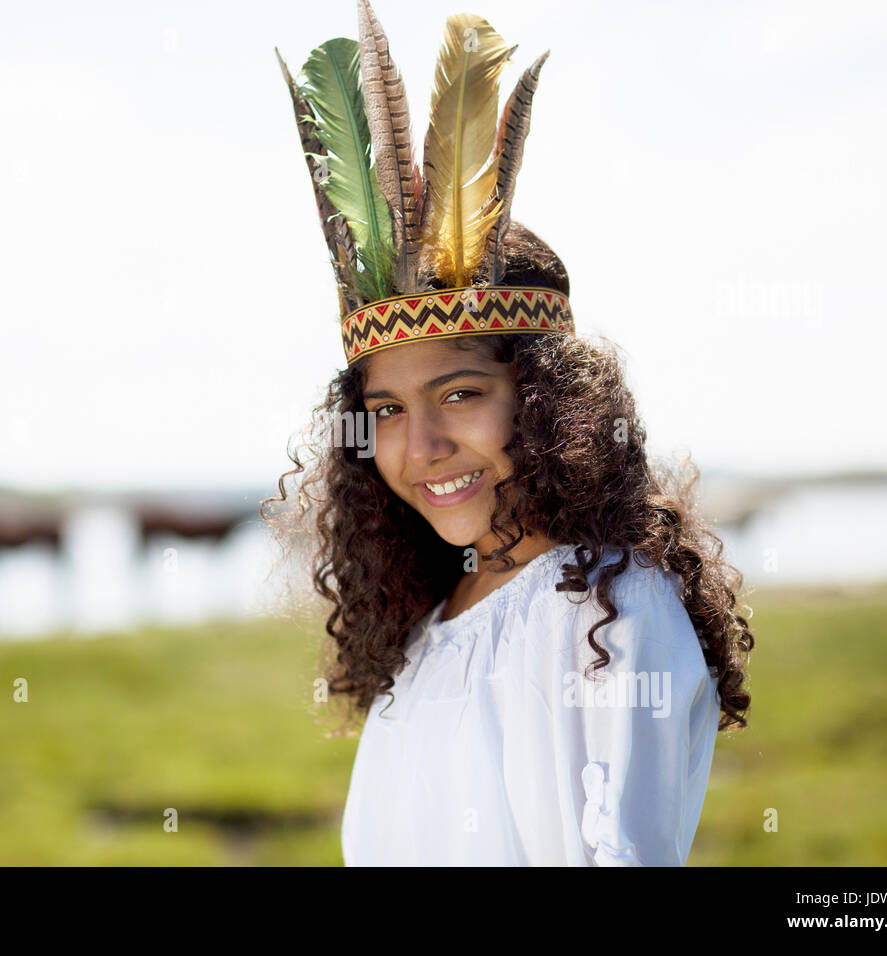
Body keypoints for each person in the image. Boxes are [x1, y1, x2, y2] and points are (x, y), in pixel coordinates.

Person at [266, 2, 754, 866]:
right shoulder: (426, 629)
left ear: (548, 397)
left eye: (459, 392)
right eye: (386, 411)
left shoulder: (606, 607)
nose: (420, 448)